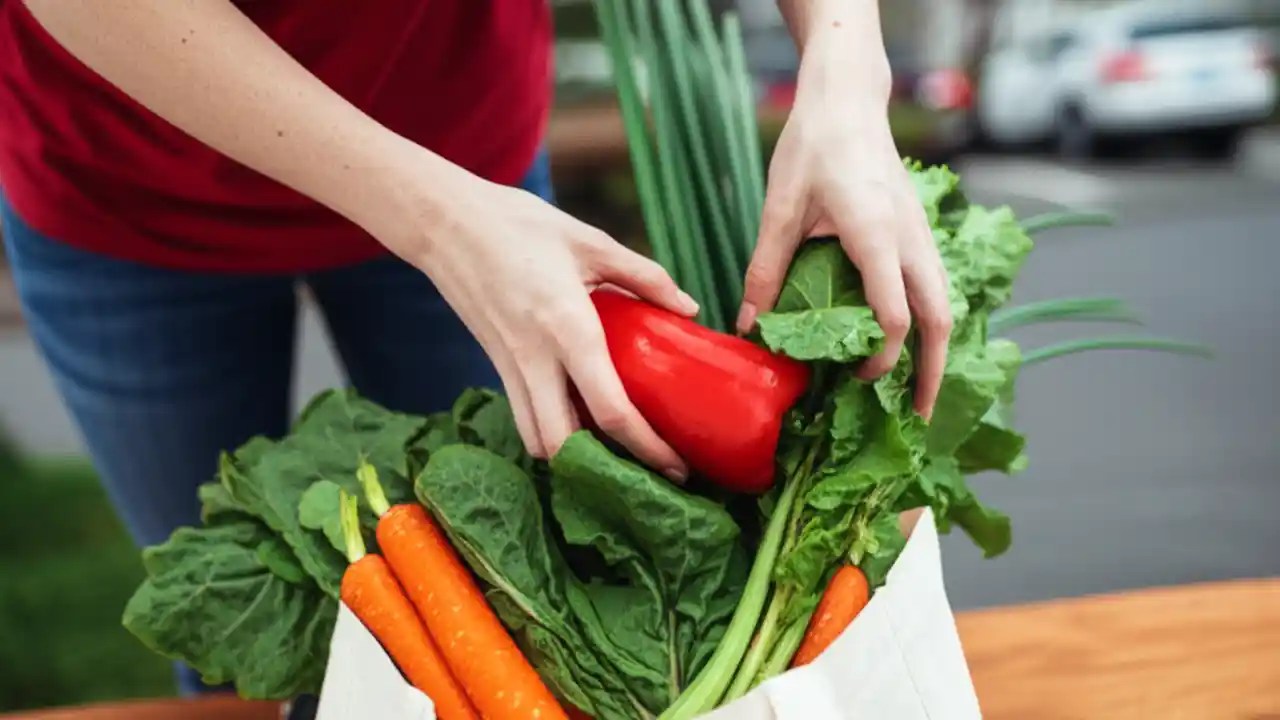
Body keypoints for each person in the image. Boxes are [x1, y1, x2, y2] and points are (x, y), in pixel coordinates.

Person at [0, 0, 951, 700]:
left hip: (469, 154)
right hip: (125, 181)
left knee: (522, 600)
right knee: (227, 633)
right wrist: (438, 226)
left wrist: (844, 67)